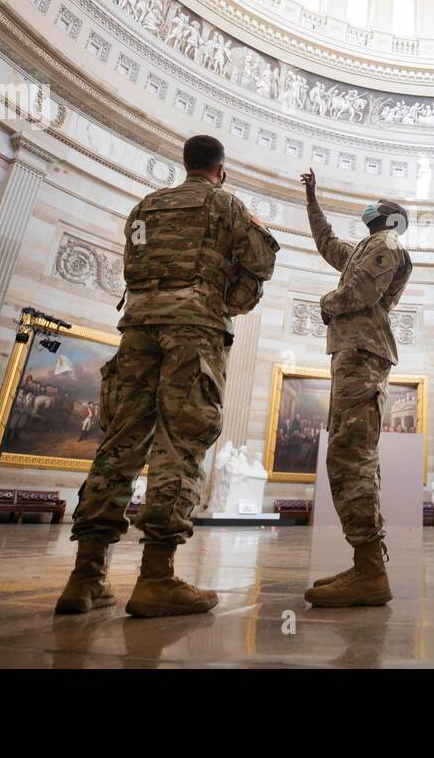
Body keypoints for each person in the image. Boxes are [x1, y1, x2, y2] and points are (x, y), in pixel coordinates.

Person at [55, 135, 279, 617]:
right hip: (193, 330)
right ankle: (156, 577)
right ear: (220, 168)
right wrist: (231, 299)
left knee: (118, 444)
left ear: (186, 163)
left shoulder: (146, 205)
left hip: (137, 326)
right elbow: (261, 261)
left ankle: (85, 576)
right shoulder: (224, 203)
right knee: (182, 442)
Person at [300, 168, 413, 607]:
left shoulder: (385, 245)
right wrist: (313, 199)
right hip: (354, 353)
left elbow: (359, 294)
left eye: (378, 203)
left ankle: (370, 570)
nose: (370, 205)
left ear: (389, 216)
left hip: (364, 353)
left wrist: (325, 304)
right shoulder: (369, 246)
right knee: (347, 451)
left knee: (352, 453)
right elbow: (328, 244)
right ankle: (365, 565)